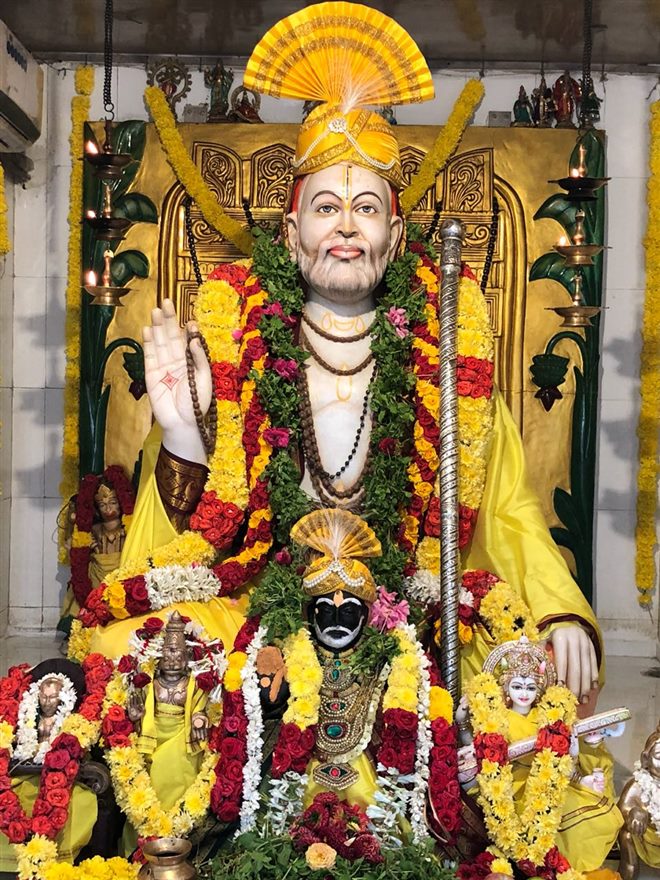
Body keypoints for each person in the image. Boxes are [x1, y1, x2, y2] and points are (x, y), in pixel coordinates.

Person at [82, 1, 600, 708]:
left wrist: (560, 610)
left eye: (367, 210)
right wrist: (180, 434)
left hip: (406, 602)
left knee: (534, 670)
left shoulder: (449, 356)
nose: (347, 228)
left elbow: (506, 505)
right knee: (123, 653)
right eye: (327, 208)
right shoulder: (237, 341)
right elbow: (192, 536)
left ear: (395, 233)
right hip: (265, 593)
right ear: (292, 231)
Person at [457, 637, 622, 873]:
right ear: (506, 688)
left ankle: (553, 865)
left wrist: (576, 764)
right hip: (508, 788)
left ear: (539, 689)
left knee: (591, 819)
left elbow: (561, 761)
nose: (524, 693)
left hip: (543, 787)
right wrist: (462, 721)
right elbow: (477, 750)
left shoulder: (546, 717)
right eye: (517, 686)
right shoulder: (497, 718)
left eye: (530, 687)